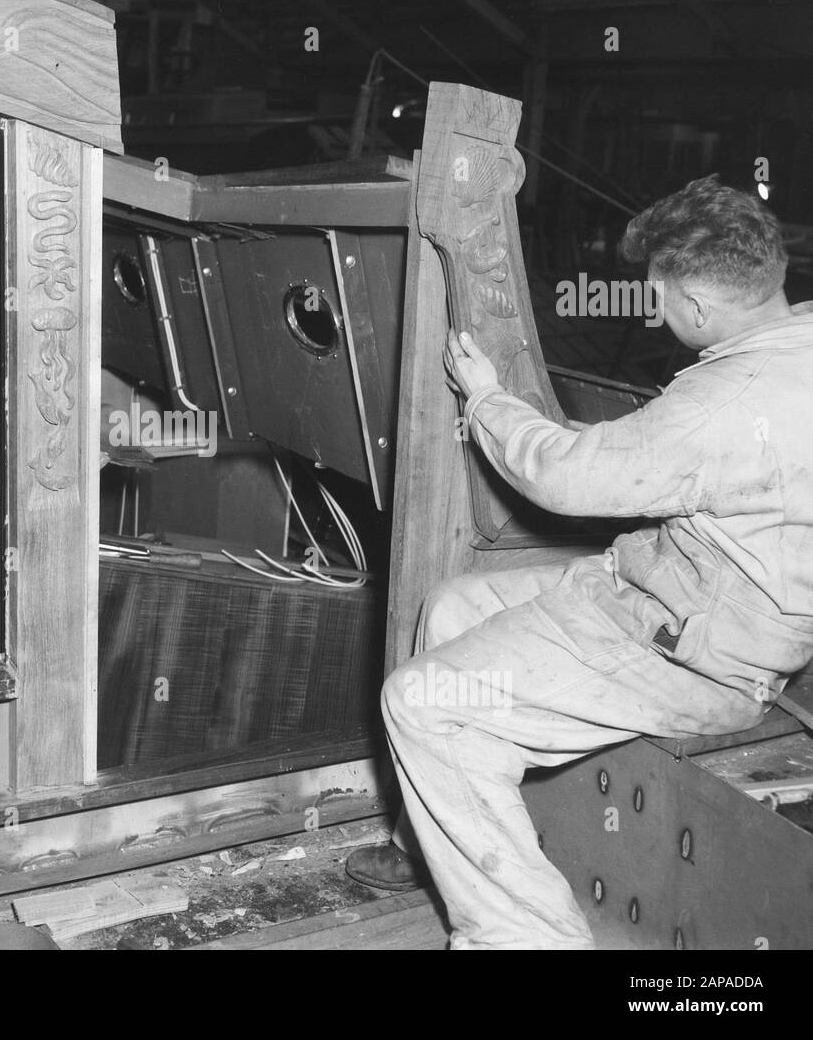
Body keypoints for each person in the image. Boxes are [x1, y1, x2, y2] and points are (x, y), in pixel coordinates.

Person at [348, 175, 813, 948]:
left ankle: (524, 939)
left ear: (697, 307)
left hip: (700, 658)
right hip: (680, 592)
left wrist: (487, 397)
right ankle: (429, 843)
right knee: (455, 606)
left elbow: (562, 477)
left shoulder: (724, 402)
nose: (653, 313)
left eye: (658, 298)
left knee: (422, 700)